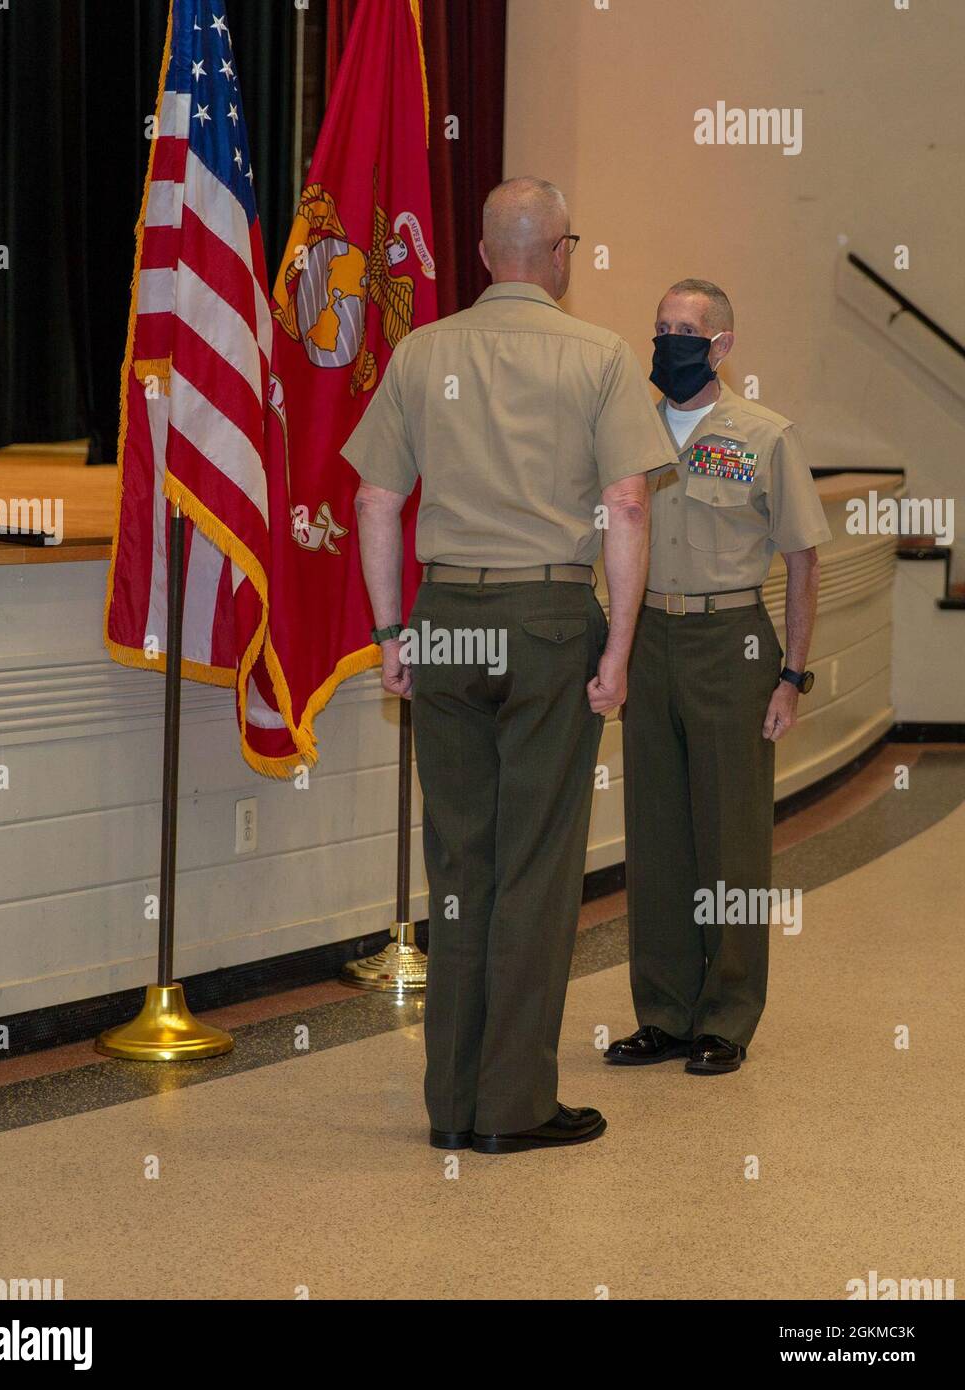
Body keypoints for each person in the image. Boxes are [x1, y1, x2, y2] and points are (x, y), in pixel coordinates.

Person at [342, 177, 673, 1152]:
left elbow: (372, 505)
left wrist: (393, 633)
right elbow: (629, 506)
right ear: (561, 253)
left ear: (486, 255)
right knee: (534, 865)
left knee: (457, 863)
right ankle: (513, 1105)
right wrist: (617, 646)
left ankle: (450, 1102)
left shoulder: (421, 351)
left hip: (445, 615)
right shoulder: (600, 356)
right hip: (544, 618)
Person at [606, 279, 831, 1076]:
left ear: (722, 345)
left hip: (733, 639)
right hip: (649, 639)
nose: (668, 341)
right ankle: (663, 1012)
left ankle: (728, 1014)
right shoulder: (627, 427)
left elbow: (804, 561)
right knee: (657, 835)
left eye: (685, 330)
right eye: (660, 325)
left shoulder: (764, 435)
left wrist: (790, 677)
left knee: (731, 837)